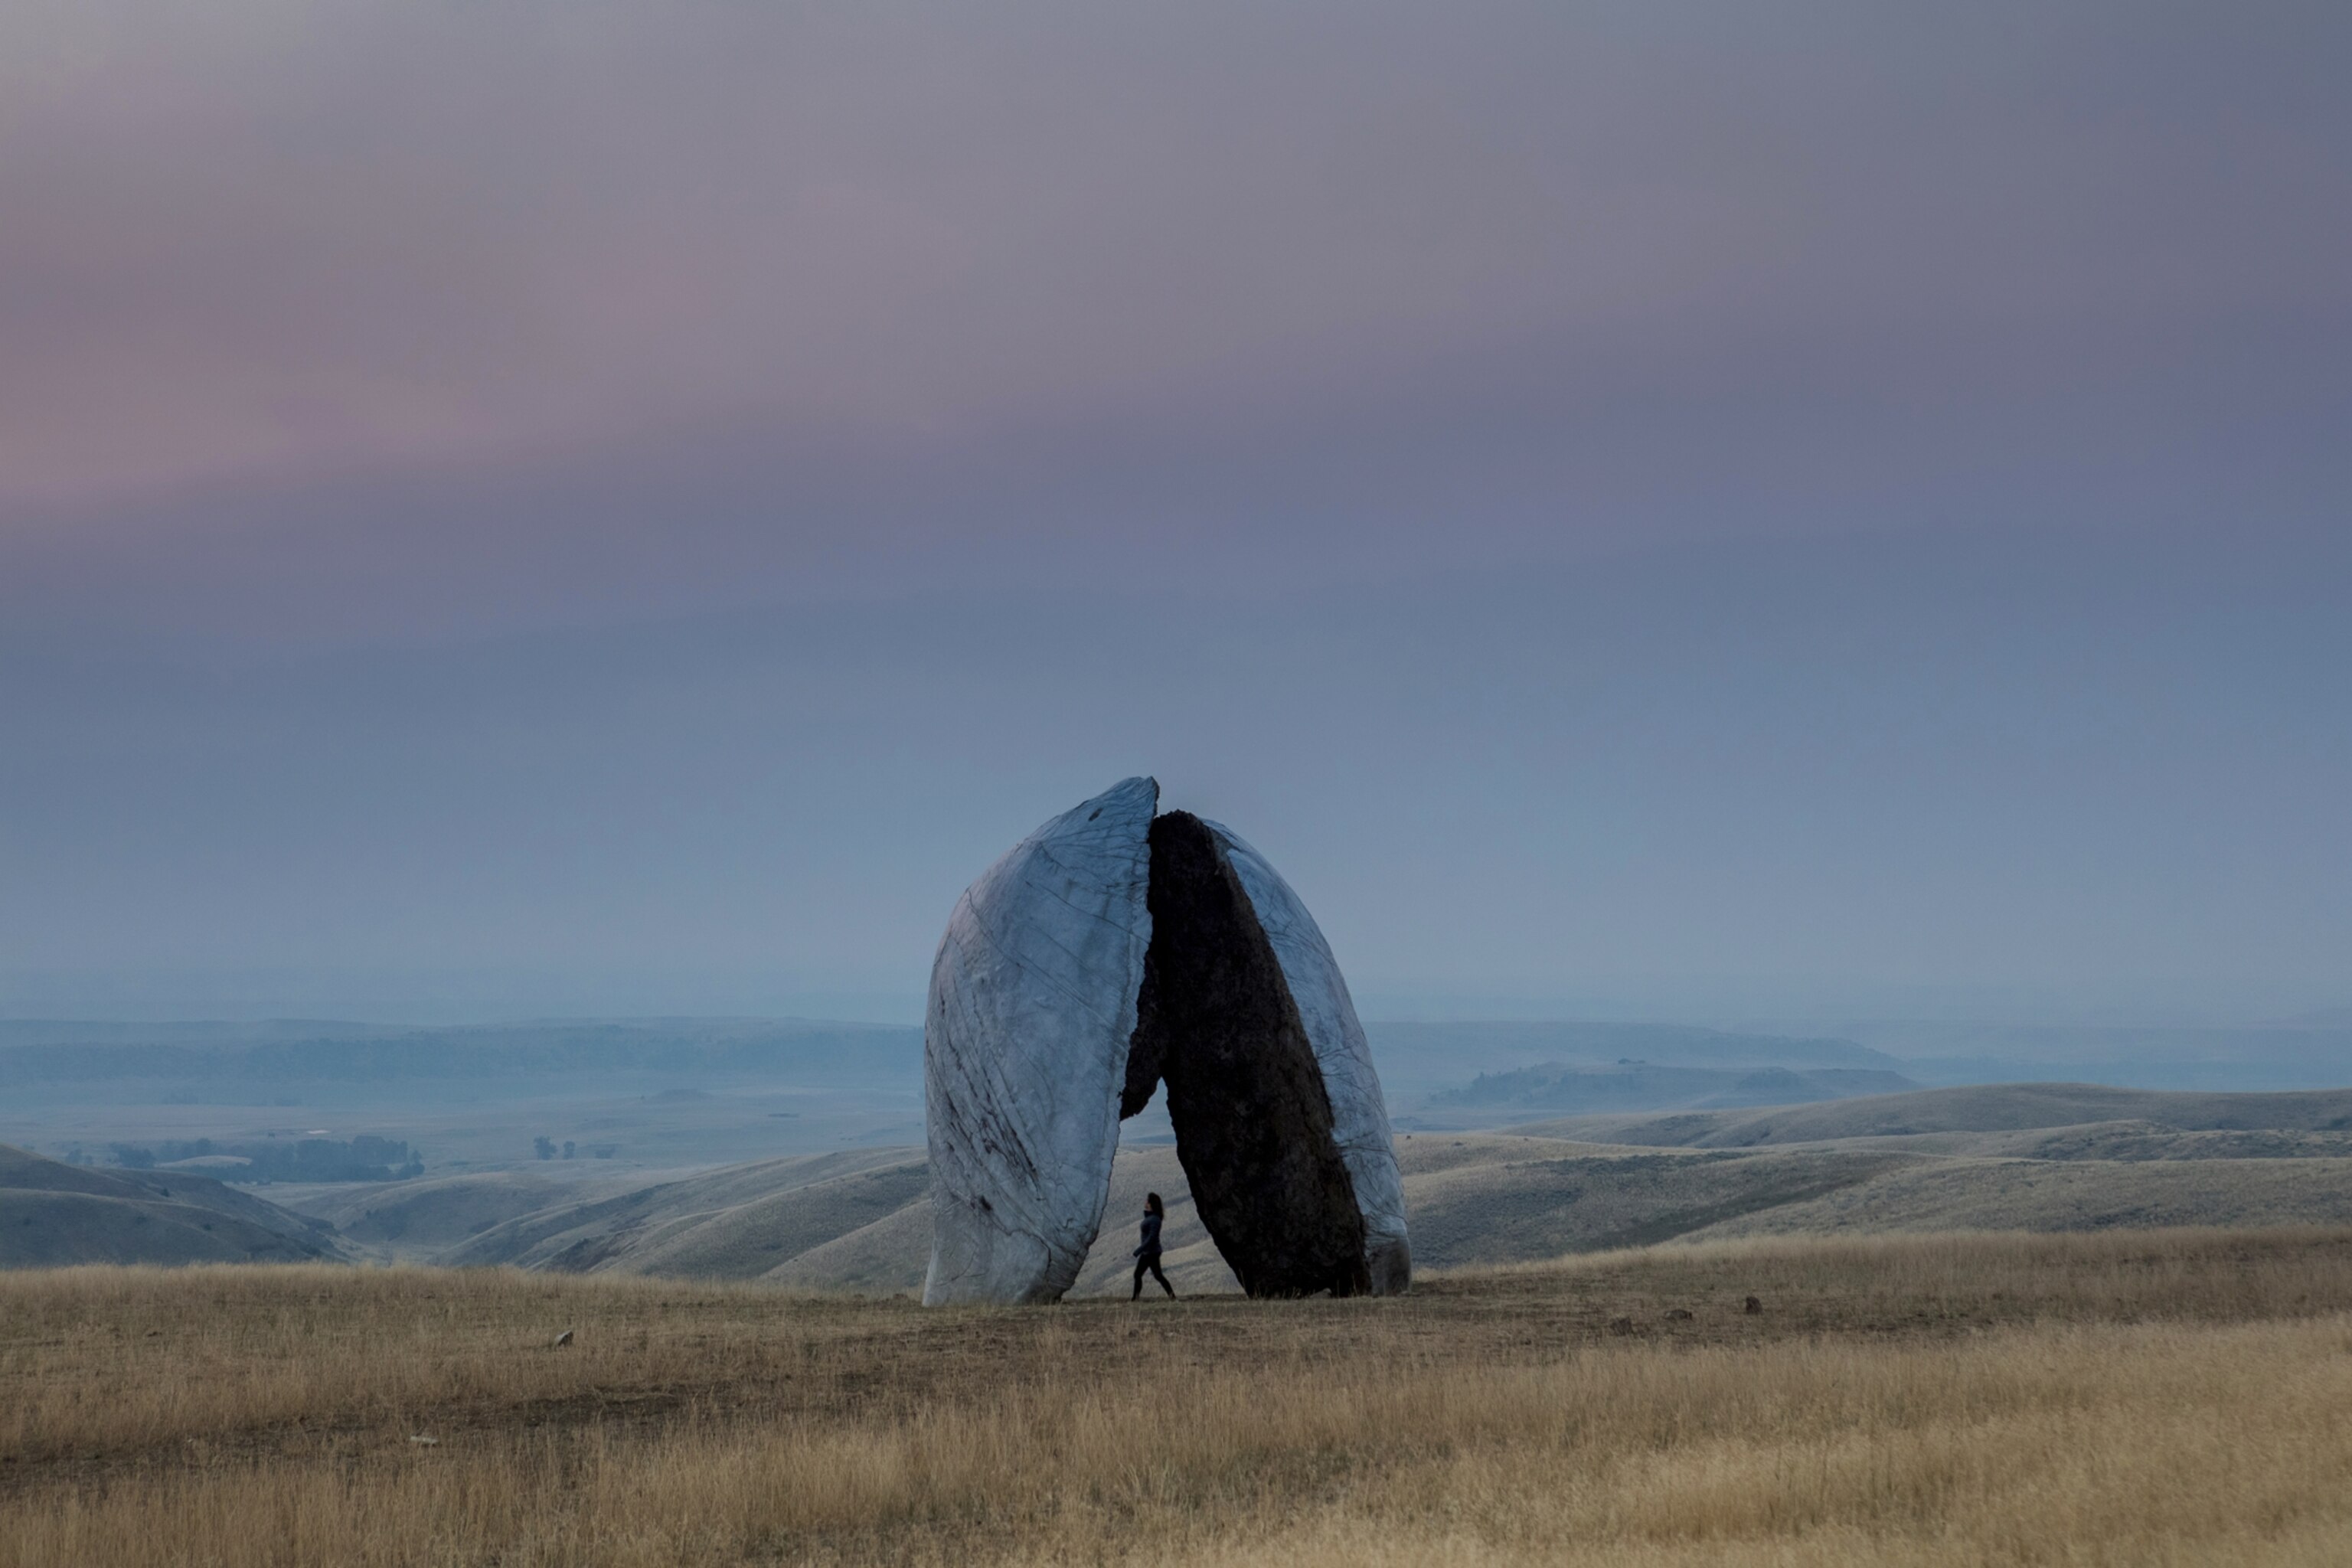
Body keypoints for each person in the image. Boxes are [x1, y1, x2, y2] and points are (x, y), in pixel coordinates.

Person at [1131, 1191, 1175, 1301]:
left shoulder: (1155, 1219)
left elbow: (1152, 1237)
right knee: (1156, 1275)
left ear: (1151, 1204)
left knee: (1141, 1274)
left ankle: (1135, 1299)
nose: (1145, 1202)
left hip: (1151, 1252)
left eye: (1147, 1201)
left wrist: (1139, 1250)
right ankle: (1172, 1297)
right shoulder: (1151, 1218)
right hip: (1149, 1251)